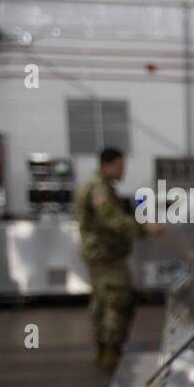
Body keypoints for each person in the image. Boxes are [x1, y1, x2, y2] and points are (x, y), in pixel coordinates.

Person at [74, 147, 162, 372]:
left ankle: (105, 350)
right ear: (109, 164)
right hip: (106, 255)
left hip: (101, 254)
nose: (123, 171)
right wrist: (145, 229)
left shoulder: (98, 185)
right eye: (121, 166)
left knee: (104, 300)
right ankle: (110, 351)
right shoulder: (100, 189)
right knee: (117, 300)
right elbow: (112, 220)